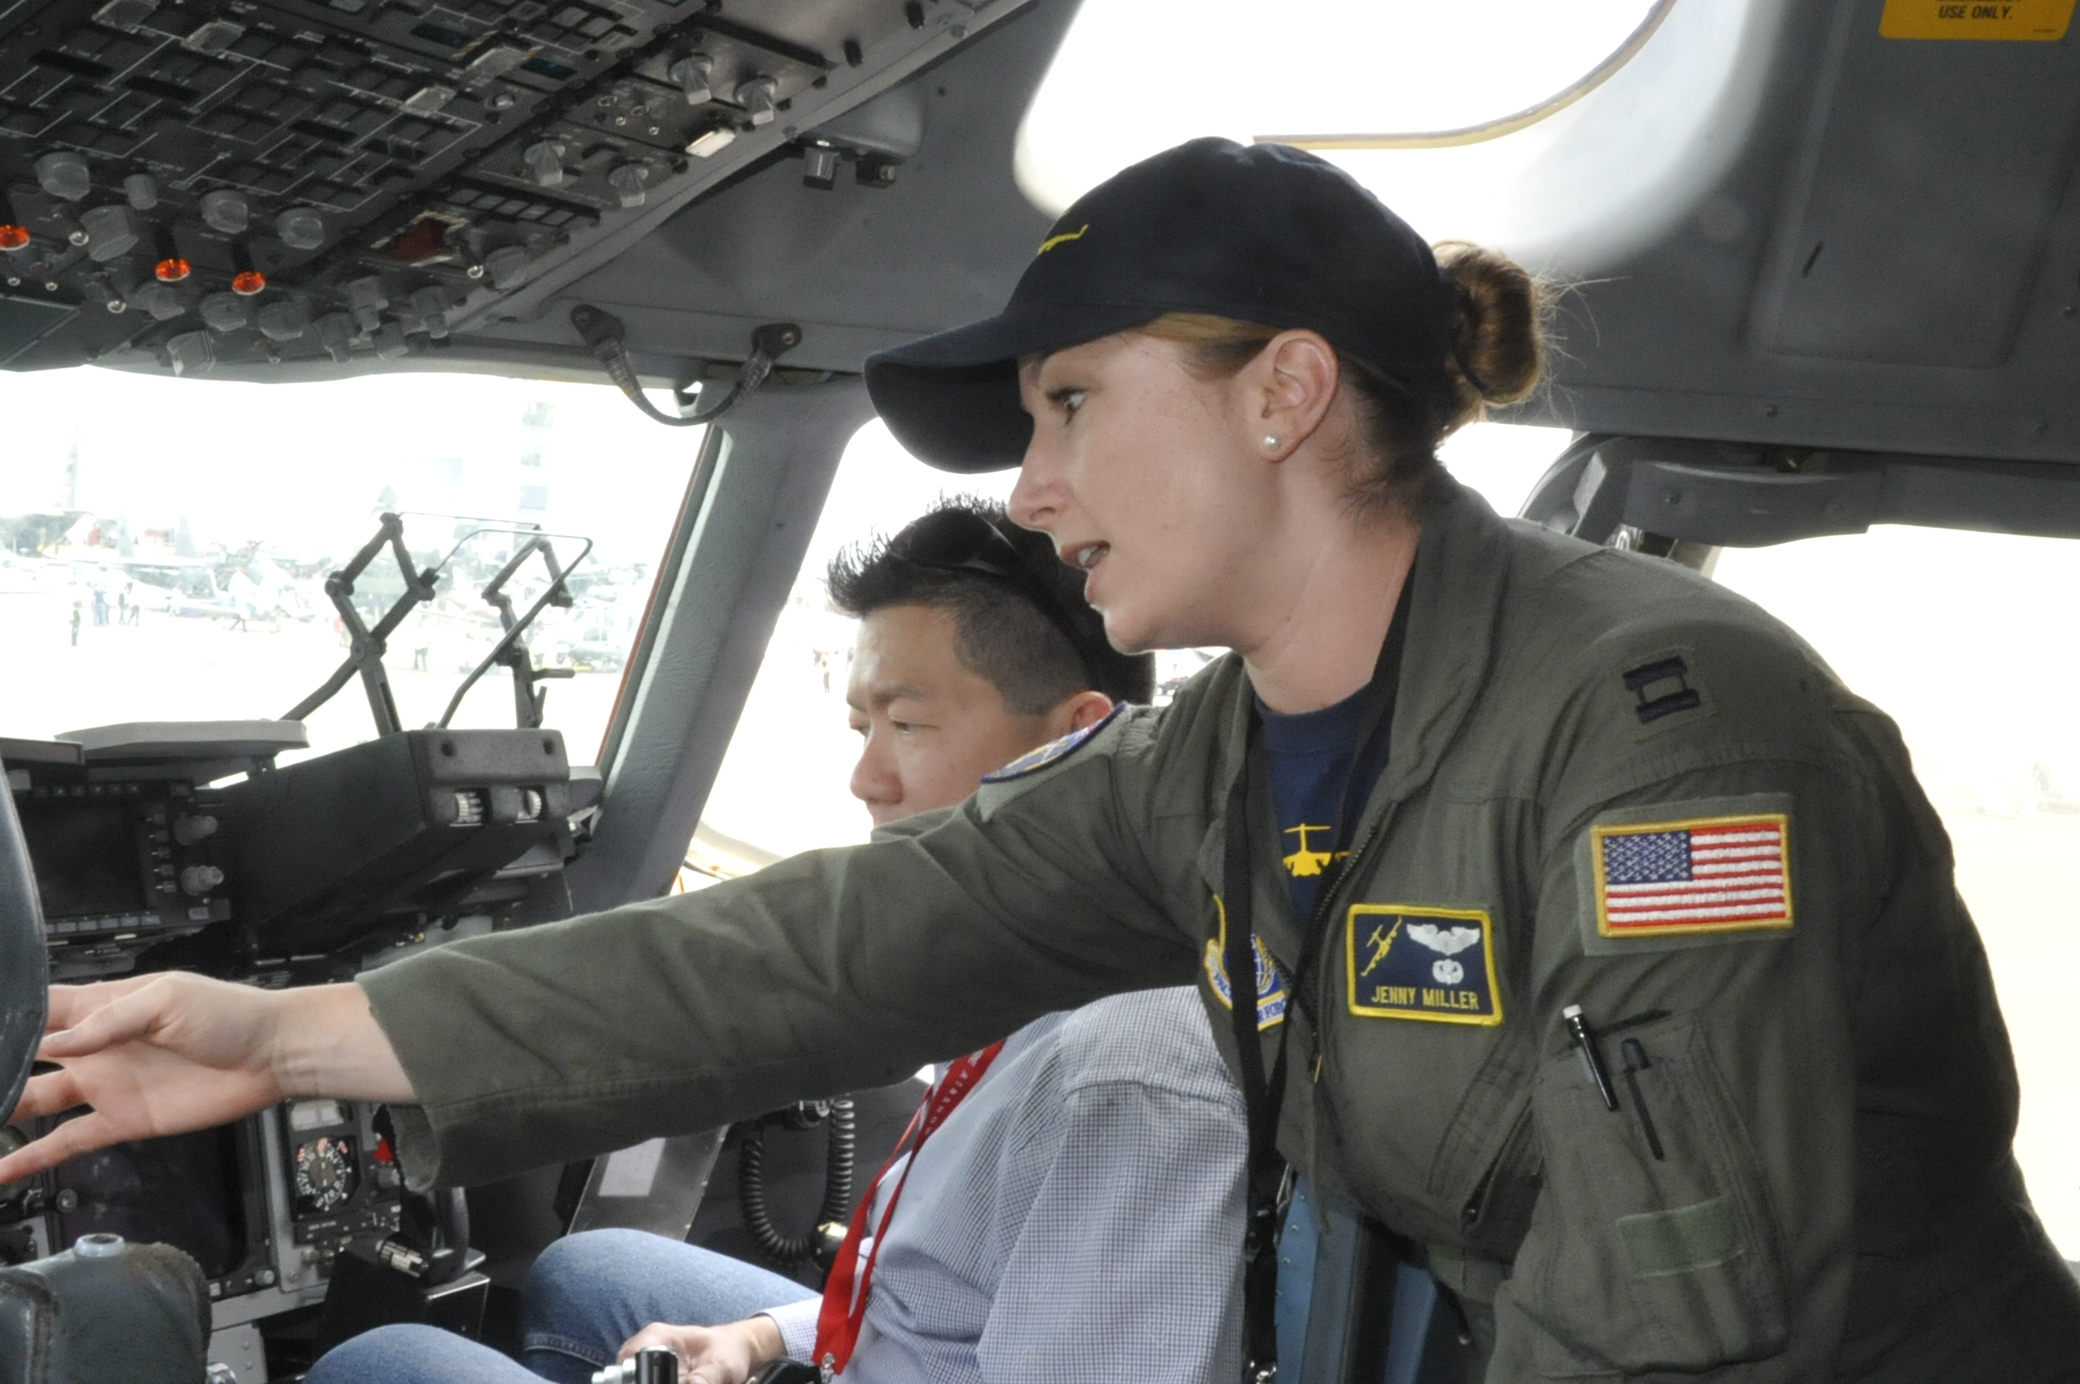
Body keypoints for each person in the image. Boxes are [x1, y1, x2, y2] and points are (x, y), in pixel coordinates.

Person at [8, 138, 2080, 1381]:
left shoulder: (1666, 737)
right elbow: (806, 955)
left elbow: (1679, 1326)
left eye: (1075, 403)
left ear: (1282, 393)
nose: (1039, 482)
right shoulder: (1232, 756)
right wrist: (287, 1033)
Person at [300, 499, 1247, 1384]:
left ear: (1073, 744)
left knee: (387, 1360)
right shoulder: (1035, 967)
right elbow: (952, 1288)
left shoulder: (1130, 1072)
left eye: (908, 725)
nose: (866, 779)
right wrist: (761, 1338)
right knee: (592, 1269)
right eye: (861, 724)